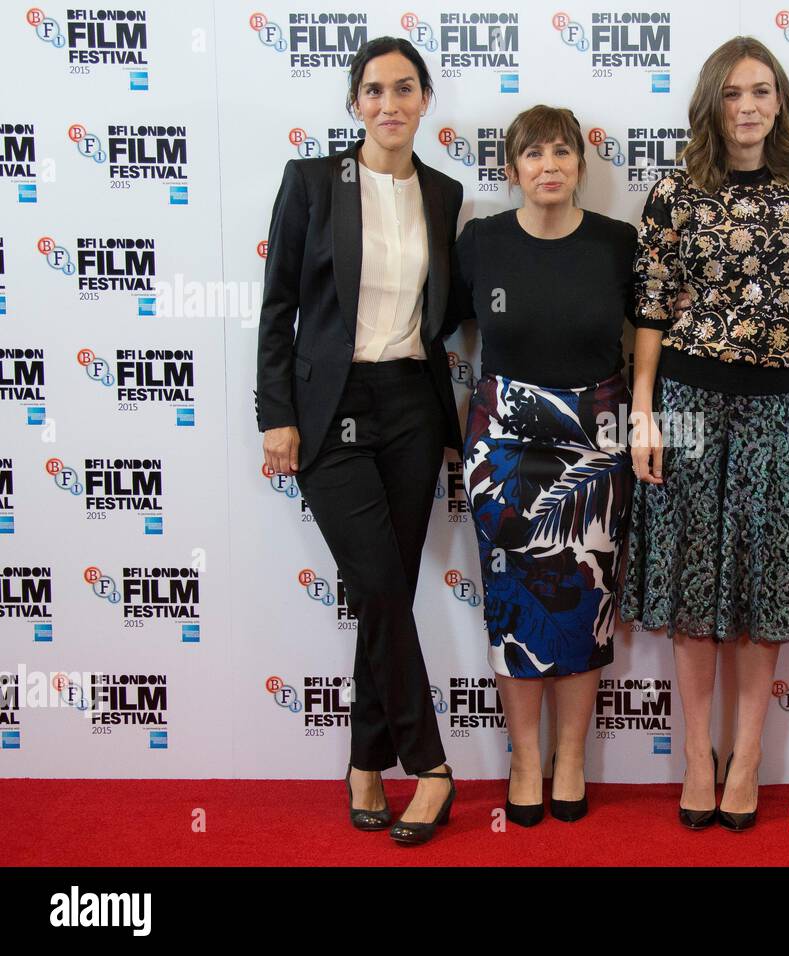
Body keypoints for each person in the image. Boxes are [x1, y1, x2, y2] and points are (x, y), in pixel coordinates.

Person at [620, 36, 789, 831]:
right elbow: (650, 309)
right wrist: (643, 412)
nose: (748, 105)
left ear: (780, 102)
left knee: (759, 583)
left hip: (778, 407)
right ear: (712, 102)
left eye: (763, 91)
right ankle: (694, 758)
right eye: (734, 92)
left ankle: (746, 758)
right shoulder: (674, 192)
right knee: (690, 584)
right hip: (685, 398)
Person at [256, 36, 464, 846]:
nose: (389, 104)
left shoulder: (443, 194)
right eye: (374, 90)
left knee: (387, 595)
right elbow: (278, 307)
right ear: (354, 104)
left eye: (404, 89)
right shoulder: (313, 181)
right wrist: (277, 412)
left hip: (410, 404)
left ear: (424, 99)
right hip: (327, 409)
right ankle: (432, 764)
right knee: (378, 583)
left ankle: (364, 763)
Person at [456, 105, 636, 826]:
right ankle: (523, 758)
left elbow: (647, 332)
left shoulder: (618, 243)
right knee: (512, 607)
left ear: (582, 166)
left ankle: (571, 758)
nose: (548, 165)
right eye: (532, 154)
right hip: (501, 442)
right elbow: (441, 322)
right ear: (511, 170)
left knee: (585, 605)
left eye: (562, 151)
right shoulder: (481, 242)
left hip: (597, 438)